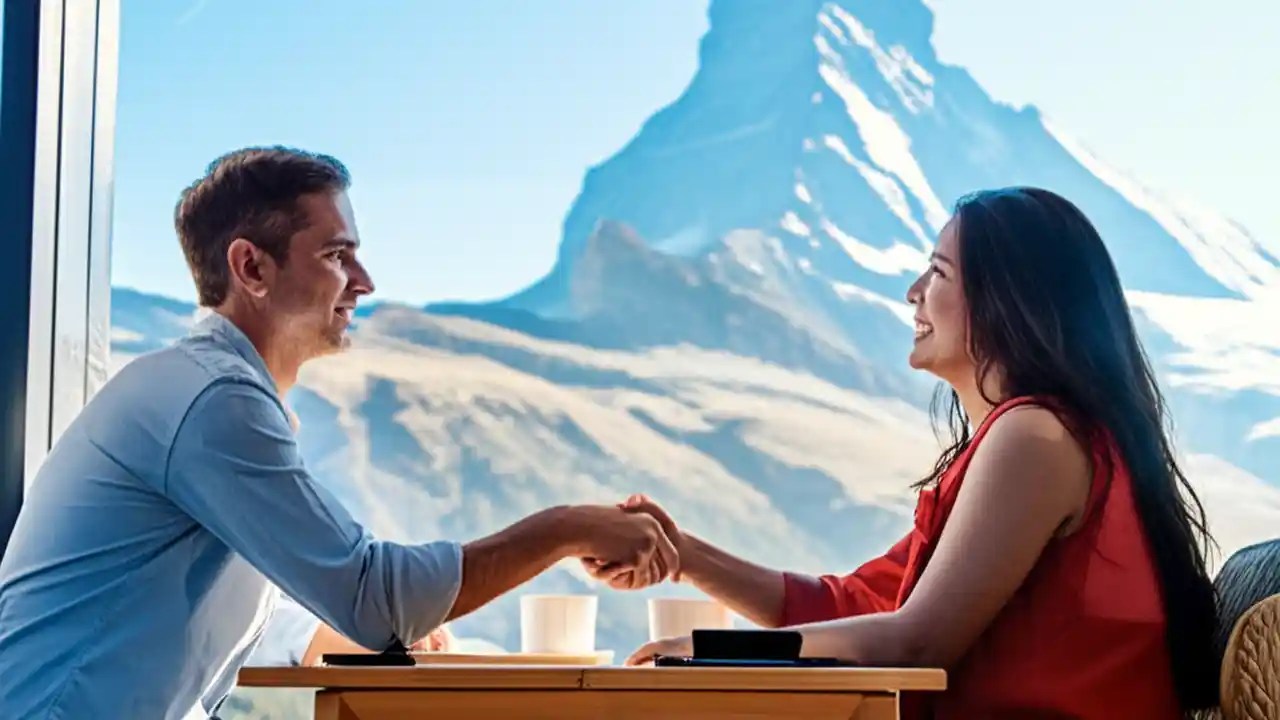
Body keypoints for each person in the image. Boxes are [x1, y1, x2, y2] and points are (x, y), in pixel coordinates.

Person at [0, 146, 677, 720]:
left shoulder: (209, 396)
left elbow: (191, 608)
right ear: (252, 268)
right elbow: (376, 598)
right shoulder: (213, 403)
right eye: (336, 254)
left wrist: (324, 633)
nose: (364, 281)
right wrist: (566, 528)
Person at [596, 188, 1220, 718]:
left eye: (939, 273)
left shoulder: (1035, 440)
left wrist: (709, 653)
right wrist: (683, 555)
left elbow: (916, 643)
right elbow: (853, 607)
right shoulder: (1031, 441)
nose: (913, 291)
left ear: (1010, 300)